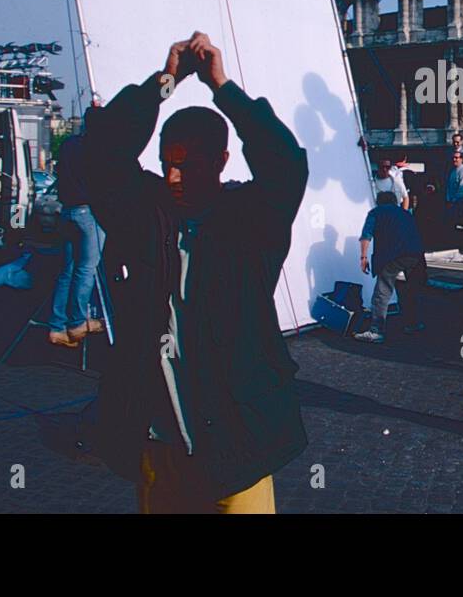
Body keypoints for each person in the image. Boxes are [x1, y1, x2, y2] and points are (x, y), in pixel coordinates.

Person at [82, 31, 308, 514]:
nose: (173, 178)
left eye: (187, 165)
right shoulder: (146, 215)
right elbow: (100, 159)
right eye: (166, 164)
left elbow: (285, 162)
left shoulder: (251, 221)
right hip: (157, 441)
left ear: (222, 161)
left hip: (235, 444)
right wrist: (165, 81)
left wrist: (221, 86)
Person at [46, 110, 106, 348]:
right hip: (87, 211)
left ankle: (57, 326)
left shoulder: (70, 144)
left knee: (68, 270)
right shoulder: (97, 149)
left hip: (68, 210)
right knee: (87, 268)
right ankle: (77, 321)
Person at [356, 190, 427, 342]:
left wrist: (363, 257)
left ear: (379, 201)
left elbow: (366, 236)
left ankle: (376, 331)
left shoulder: (376, 213)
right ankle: (412, 323)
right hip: (415, 254)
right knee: (409, 289)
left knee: (382, 291)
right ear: (395, 201)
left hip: (393, 255)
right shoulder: (405, 213)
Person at [444, 150, 463, 232]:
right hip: (451, 201)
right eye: (453, 158)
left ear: (461, 159)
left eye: (457, 158)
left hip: (460, 202)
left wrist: (456, 199)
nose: (454, 160)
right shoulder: (453, 171)